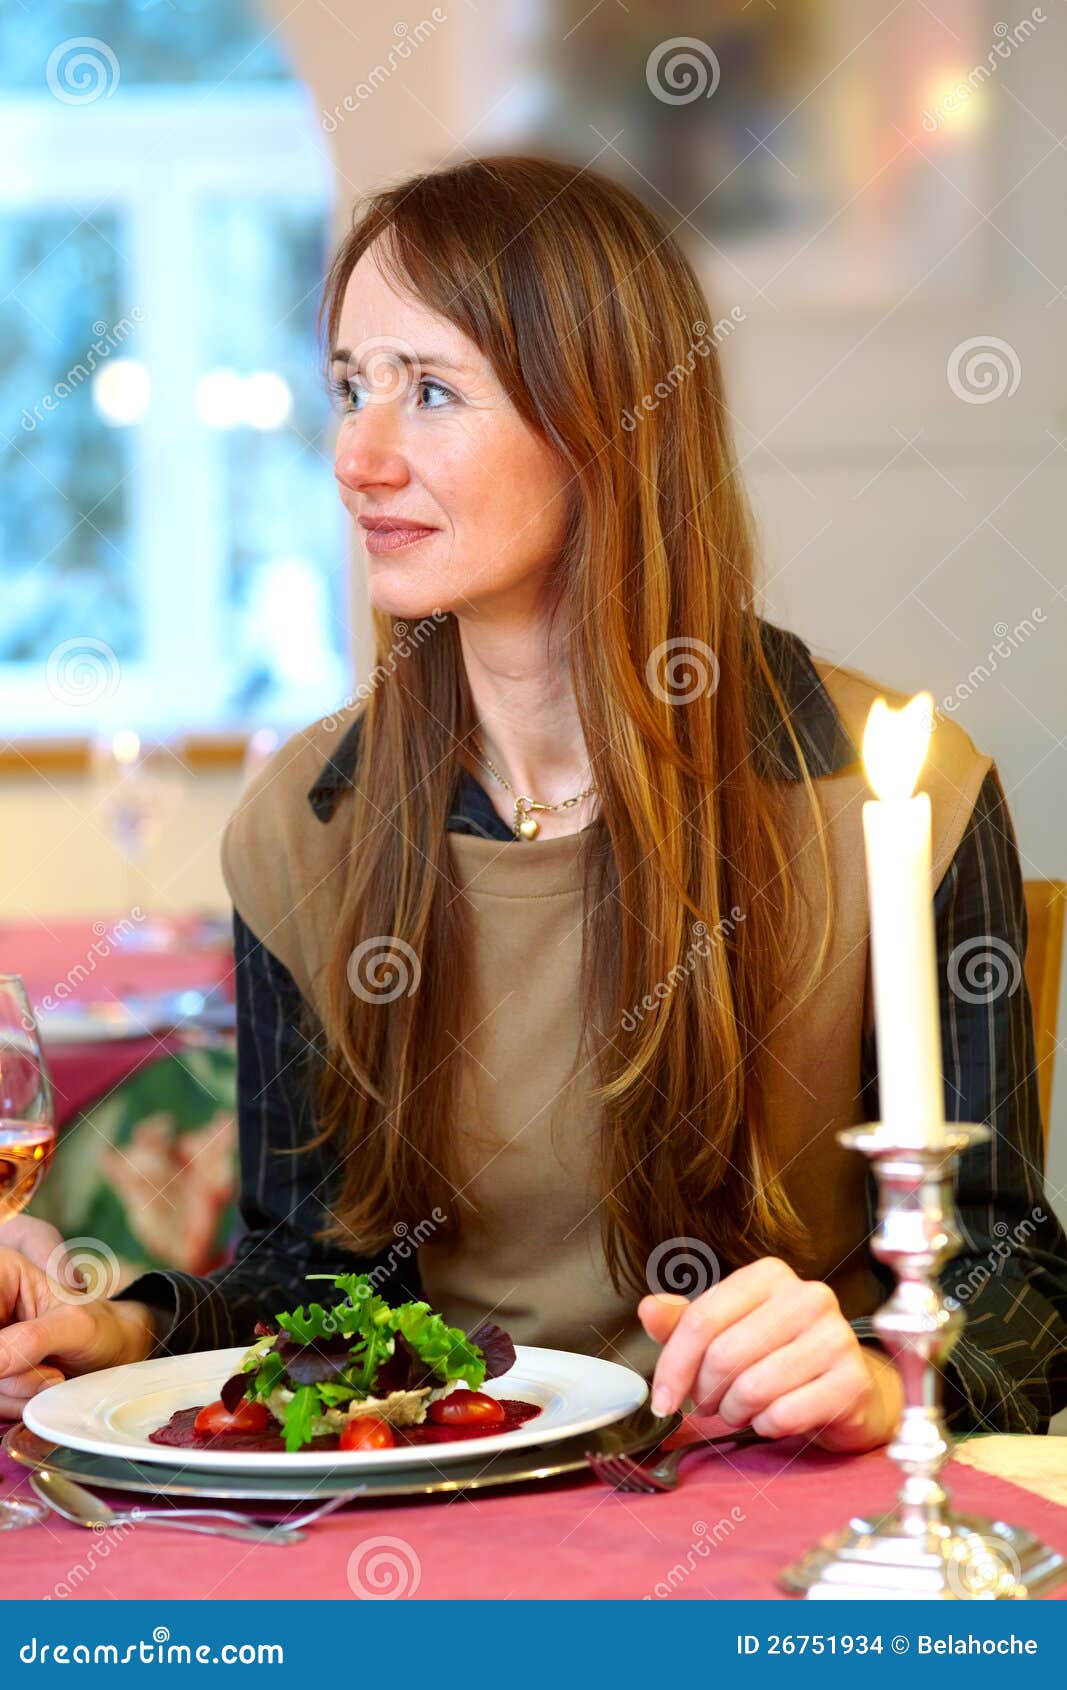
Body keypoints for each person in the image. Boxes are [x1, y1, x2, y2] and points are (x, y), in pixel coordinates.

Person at [3, 156, 1065, 1451]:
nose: (358, 454)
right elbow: (323, 1284)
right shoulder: (305, 826)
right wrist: (122, 1325)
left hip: (785, 1503)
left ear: (608, 419)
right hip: (438, 1513)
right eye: (350, 386)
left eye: (431, 392)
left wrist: (879, 1380)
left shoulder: (903, 792)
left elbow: (1017, 1283)